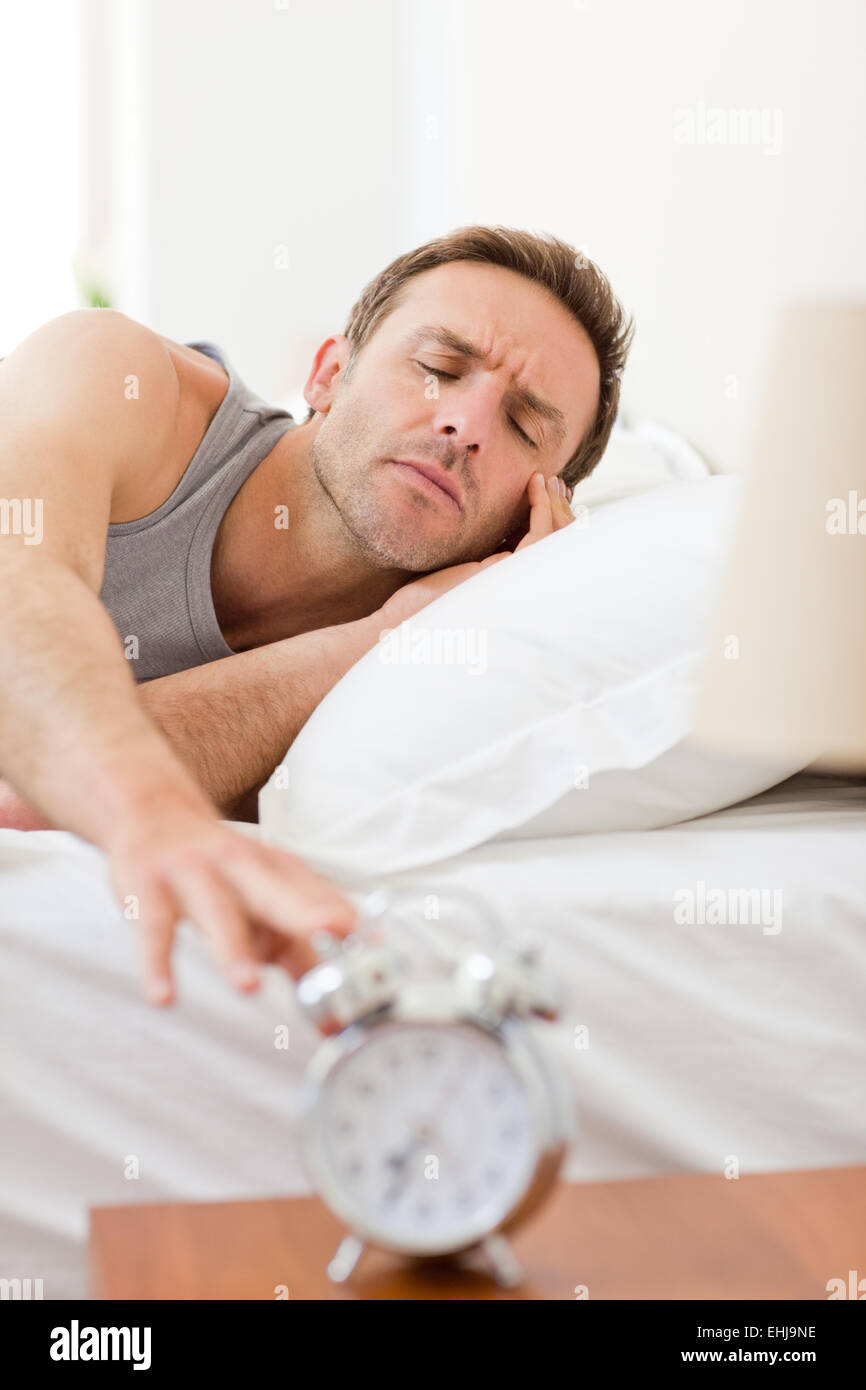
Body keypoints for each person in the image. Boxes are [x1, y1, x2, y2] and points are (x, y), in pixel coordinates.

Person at [0, 224, 632, 1004]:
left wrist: (384, 639)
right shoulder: (113, 375)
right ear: (330, 374)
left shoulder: (418, 676)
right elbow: (21, 585)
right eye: (438, 368)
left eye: (524, 426)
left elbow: (21, 800)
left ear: (530, 512)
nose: (465, 426)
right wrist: (149, 811)